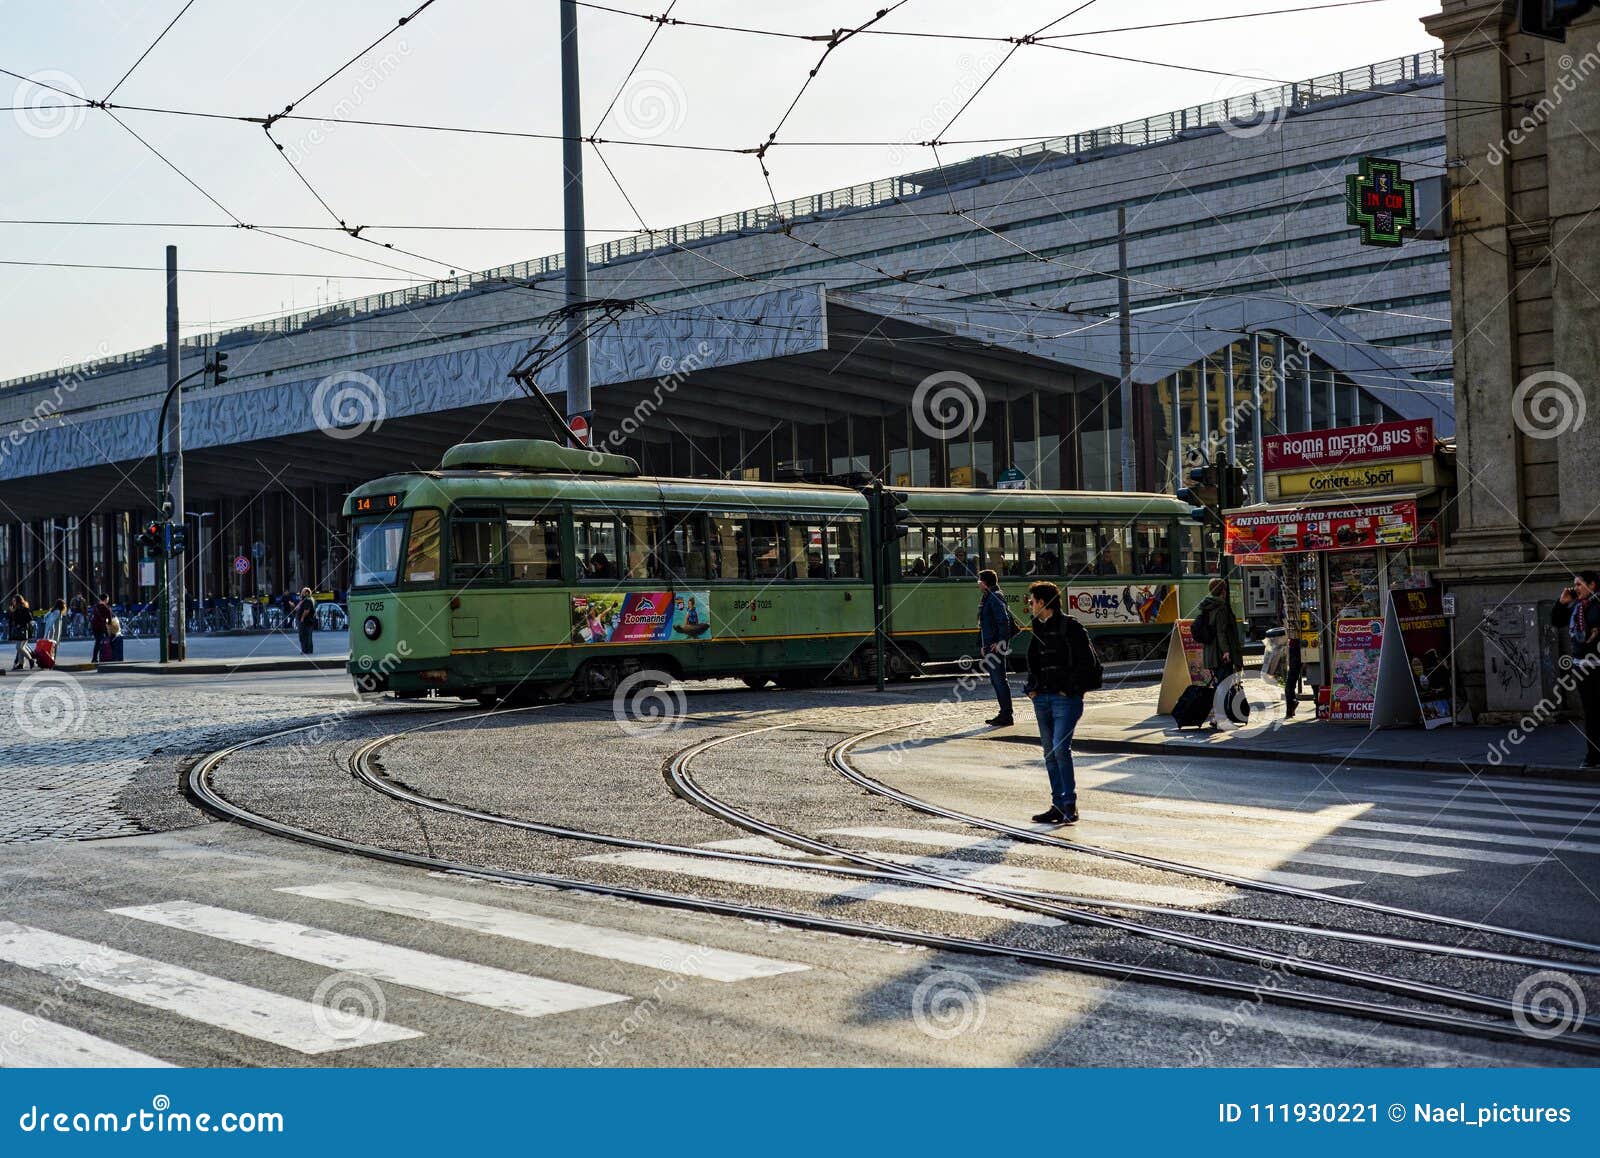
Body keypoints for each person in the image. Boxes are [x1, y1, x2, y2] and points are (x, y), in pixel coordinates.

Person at [1023, 581, 1098, 825]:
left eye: (1032, 601)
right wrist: (1032, 689)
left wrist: (1069, 689)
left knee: (1059, 750)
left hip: (1065, 699)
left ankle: (1069, 804)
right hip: (1042, 698)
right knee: (1049, 753)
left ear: (1042, 603)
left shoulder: (1071, 627)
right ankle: (1057, 805)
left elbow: (1087, 663)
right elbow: (1033, 662)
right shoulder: (1038, 627)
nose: (1030, 605)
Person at [1553, 571, 1600, 768]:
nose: (1575, 588)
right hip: (1582, 666)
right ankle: (1593, 755)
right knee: (1591, 712)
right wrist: (1561, 603)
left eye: (1579, 584)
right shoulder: (1577, 606)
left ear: (1592, 584)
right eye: (1575, 584)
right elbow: (1557, 621)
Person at [976, 569, 1015, 727]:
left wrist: (1000, 642)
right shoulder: (989, 596)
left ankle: (1006, 715)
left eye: (979, 581)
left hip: (995, 647)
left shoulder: (994, 596)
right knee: (996, 679)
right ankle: (1004, 713)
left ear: (985, 582)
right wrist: (982, 645)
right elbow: (985, 625)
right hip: (990, 645)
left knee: (999, 680)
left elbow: (1003, 621)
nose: (978, 584)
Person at [8, 596, 36, 671]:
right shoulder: (16, 609)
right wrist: (12, 612)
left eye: (14, 600)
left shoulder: (24, 609)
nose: (13, 602)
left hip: (23, 630)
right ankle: (21, 664)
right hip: (19, 631)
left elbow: (29, 619)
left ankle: (31, 660)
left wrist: (20, 624)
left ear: (18, 601)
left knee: (19, 647)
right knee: (20, 648)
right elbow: (13, 620)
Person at [89, 593, 112, 663]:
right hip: (101, 627)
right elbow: (110, 620)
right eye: (108, 599)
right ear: (105, 599)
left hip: (94, 626)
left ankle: (96, 657)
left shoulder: (95, 606)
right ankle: (104, 656)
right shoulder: (106, 607)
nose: (108, 600)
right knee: (103, 641)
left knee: (98, 641)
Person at [294, 587, 317, 655]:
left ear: (307, 593)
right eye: (302, 591)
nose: (301, 593)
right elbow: (297, 609)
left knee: (304, 636)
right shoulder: (303, 600)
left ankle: (305, 650)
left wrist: (302, 618)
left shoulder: (307, 600)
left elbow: (306, 610)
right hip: (304, 621)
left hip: (306, 621)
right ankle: (307, 650)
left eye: (303, 592)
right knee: (305, 636)